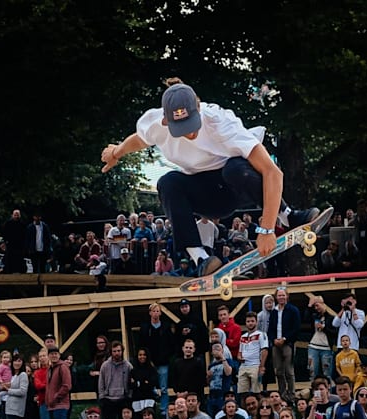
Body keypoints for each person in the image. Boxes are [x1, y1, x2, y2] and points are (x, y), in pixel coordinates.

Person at [99, 79, 318, 277]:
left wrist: (267, 229)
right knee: (167, 183)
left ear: (199, 108)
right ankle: (201, 258)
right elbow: (139, 140)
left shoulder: (220, 121)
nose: (190, 134)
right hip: (205, 195)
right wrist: (116, 153)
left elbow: (272, 172)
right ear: (166, 121)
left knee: (235, 168)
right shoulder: (155, 123)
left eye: (192, 125)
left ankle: (289, 216)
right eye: (182, 129)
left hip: (234, 186)